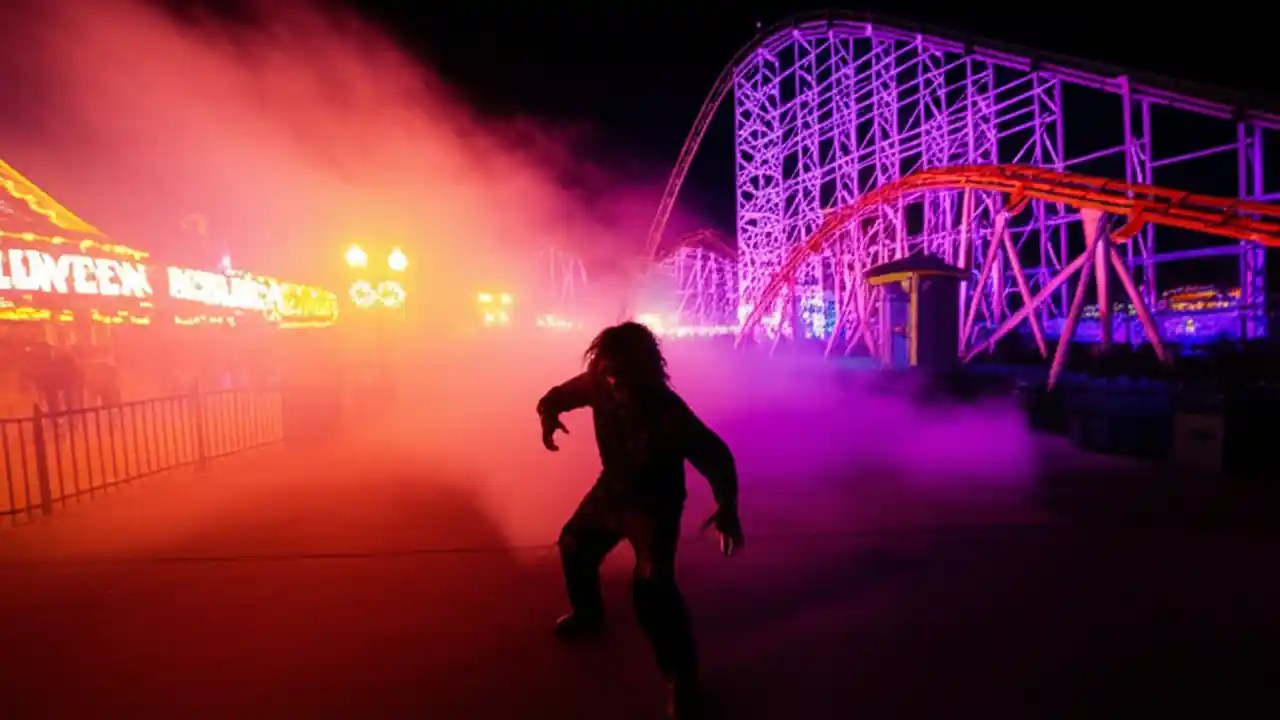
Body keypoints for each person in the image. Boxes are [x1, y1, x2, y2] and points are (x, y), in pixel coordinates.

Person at [536, 322, 743, 719]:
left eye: (620, 374)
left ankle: (683, 681)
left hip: (655, 503)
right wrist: (548, 414)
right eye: (606, 371)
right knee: (574, 545)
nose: (613, 382)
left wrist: (727, 505)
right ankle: (589, 615)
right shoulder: (599, 382)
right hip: (612, 490)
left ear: (642, 370)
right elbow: (558, 396)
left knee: (653, 591)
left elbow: (715, 455)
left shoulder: (666, 410)